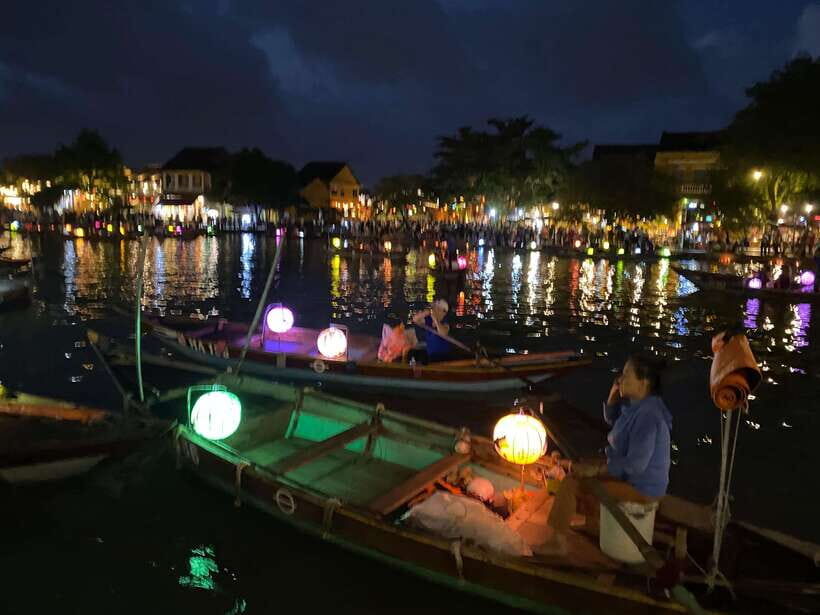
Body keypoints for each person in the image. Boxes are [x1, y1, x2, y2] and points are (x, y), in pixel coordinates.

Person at [542, 354, 672, 554]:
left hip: (641, 487)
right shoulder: (639, 405)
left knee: (572, 483)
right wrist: (614, 394)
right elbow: (614, 422)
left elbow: (635, 466)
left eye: (627, 375)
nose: (621, 378)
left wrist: (598, 469)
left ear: (643, 383)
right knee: (583, 465)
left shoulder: (648, 416)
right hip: (630, 475)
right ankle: (594, 524)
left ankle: (558, 542)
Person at [411, 299, 454, 363]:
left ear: (443, 312)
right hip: (431, 356)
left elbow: (443, 333)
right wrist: (425, 313)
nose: (435, 310)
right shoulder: (428, 319)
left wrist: (435, 320)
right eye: (435, 308)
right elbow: (415, 319)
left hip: (444, 356)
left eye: (437, 308)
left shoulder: (445, 322)